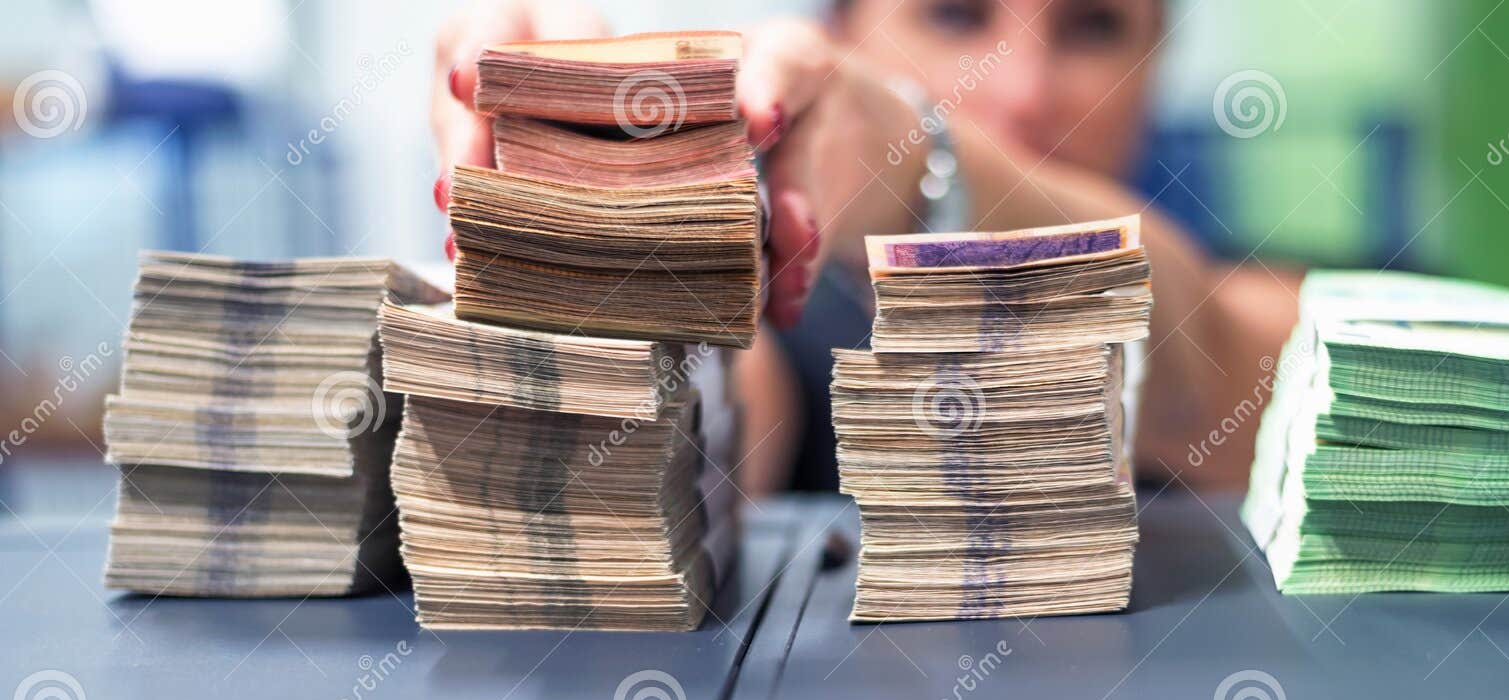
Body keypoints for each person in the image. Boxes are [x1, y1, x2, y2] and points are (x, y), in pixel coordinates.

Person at [431, 0, 1300, 494]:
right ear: (841, 42)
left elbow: (1204, 362)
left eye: (1094, 27)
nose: (1025, 88)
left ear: (1157, 62)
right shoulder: (782, 322)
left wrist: (923, 161)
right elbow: (714, 413)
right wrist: (600, 225)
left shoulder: (1255, 299)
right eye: (956, 14)